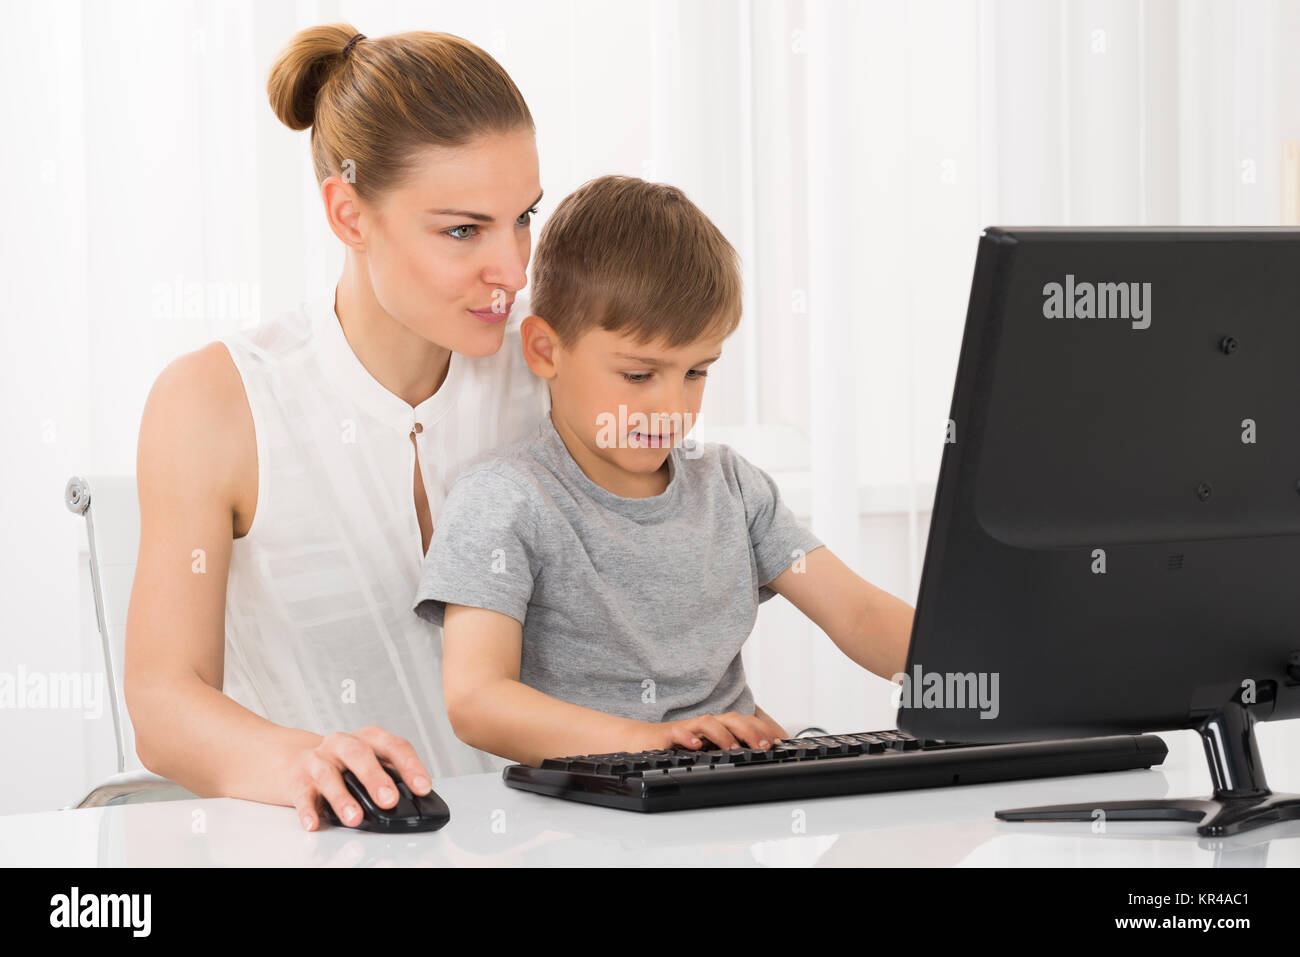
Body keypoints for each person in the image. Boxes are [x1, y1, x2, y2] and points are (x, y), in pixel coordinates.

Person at [124, 23, 548, 832]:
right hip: (332, 848)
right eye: (464, 230)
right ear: (349, 213)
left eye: (523, 217)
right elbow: (162, 698)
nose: (514, 269)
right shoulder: (216, 401)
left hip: (550, 844)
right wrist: (302, 761)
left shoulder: (550, 364)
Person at [412, 175, 915, 767]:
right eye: (638, 375)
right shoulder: (505, 500)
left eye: (696, 373)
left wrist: (982, 682)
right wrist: (653, 744)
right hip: (581, 824)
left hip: (724, 812)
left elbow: (857, 612)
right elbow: (477, 700)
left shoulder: (730, 486)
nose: (674, 409)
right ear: (546, 350)